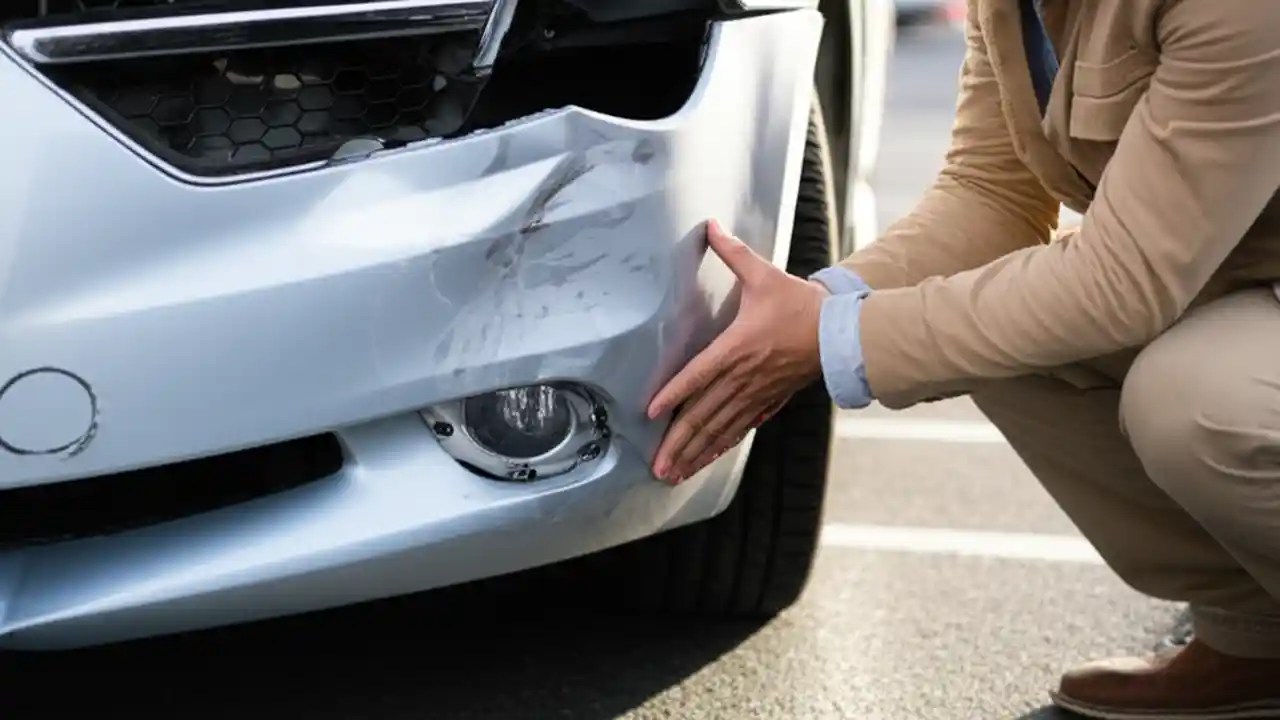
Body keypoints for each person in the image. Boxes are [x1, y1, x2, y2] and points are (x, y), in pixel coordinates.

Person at [646, 0, 1280, 716]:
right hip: (1233, 283)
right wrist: (809, 307)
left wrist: (827, 339)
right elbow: (992, 197)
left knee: (1195, 400)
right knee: (995, 338)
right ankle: (1258, 639)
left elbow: (1123, 284)